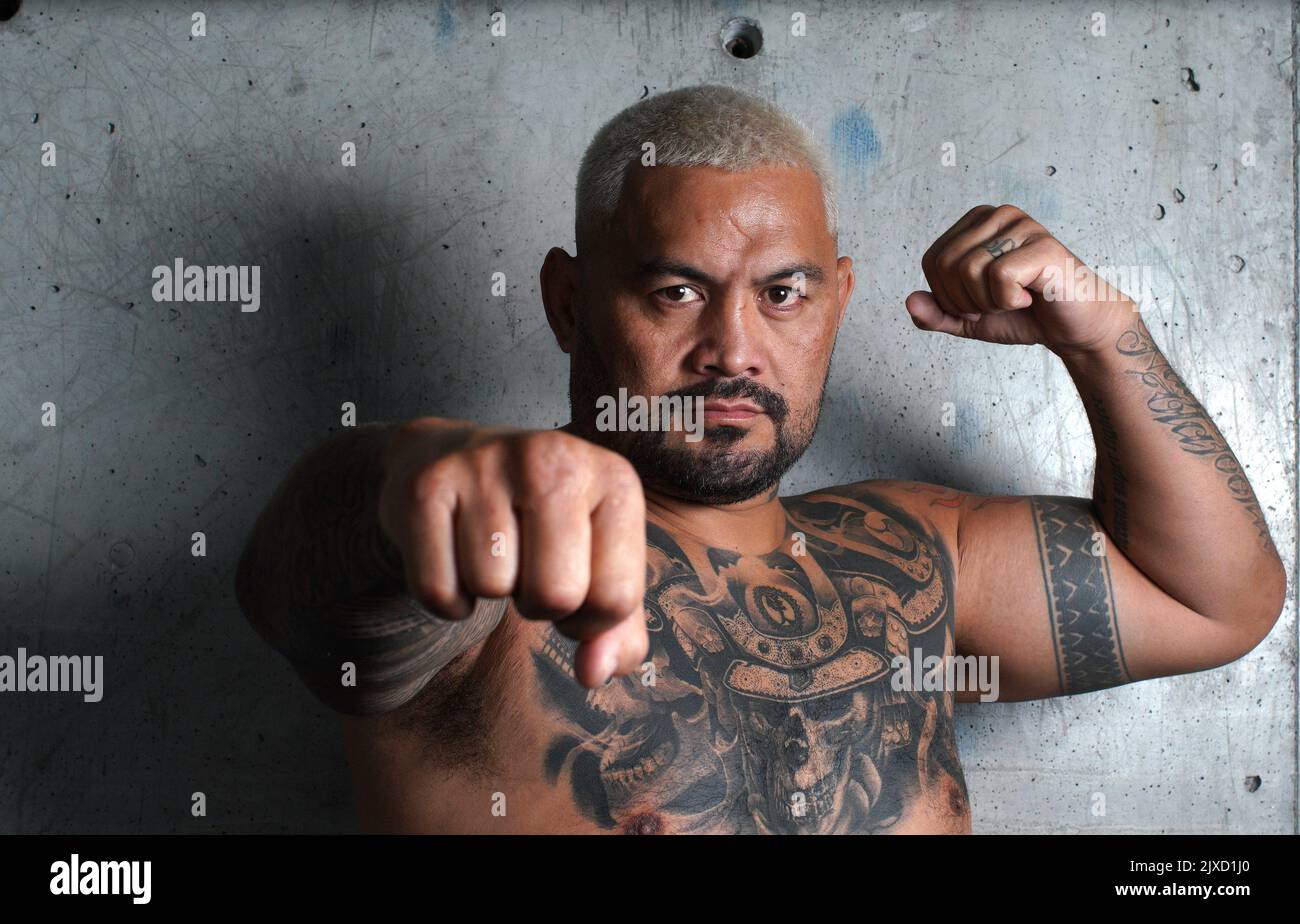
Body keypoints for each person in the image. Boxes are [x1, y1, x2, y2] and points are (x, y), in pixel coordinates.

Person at [234, 84, 1286, 834]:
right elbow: (300, 586)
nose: (733, 349)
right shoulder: (490, 564)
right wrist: (406, 476)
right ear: (566, 302)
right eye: (675, 290)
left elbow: (1212, 602)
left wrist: (1108, 340)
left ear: (833, 301)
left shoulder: (907, 565)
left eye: (781, 293)